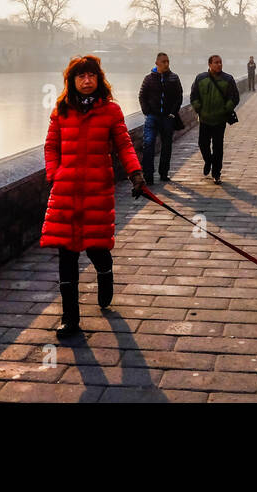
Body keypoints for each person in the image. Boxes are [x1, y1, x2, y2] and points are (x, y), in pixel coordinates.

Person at [41, 54, 146, 338]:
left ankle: (105, 271)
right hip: (66, 192)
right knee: (67, 254)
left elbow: (124, 145)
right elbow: (51, 147)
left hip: (97, 190)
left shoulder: (110, 111)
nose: (86, 81)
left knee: (96, 248)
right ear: (71, 81)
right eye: (80, 76)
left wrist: (136, 174)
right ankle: (70, 318)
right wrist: (55, 174)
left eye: (91, 76)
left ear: (99, 79)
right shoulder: (61, 111)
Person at [190, 54, 240, 184]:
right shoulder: (201, 78)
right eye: (216, 62)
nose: (219, 65)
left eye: (220, 62)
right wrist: (199, 109)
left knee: (218, 147)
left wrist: (225, 110)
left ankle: (216, 173)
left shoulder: (228, 79)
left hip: (219, 120)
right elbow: (194, 96)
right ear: (209, 64)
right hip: (205, 119)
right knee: (203, 144)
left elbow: (234, 97)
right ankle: (208, 161)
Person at [137, 51, 183, 184]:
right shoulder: (149, 78)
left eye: (168, 61)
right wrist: (147, 111)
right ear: (156, 63)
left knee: (167, 146)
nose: (166, 64)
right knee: (149, 143)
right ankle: (148, 175)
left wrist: (173, 113)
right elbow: (142, 96)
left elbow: (179, 97)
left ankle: (164, 173)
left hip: (167, 117)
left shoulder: (174, 78)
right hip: (152, 117)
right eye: (163, 61)